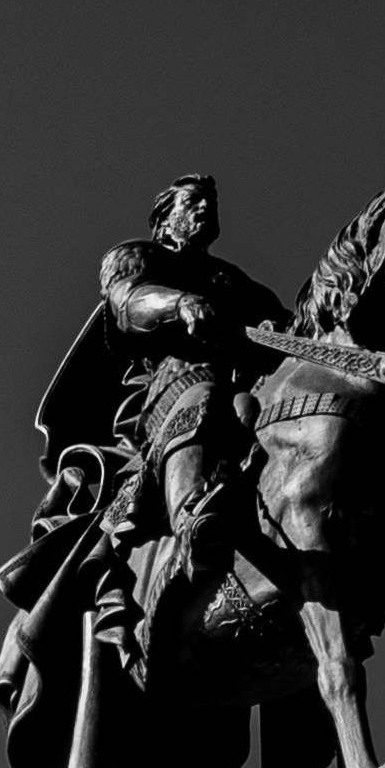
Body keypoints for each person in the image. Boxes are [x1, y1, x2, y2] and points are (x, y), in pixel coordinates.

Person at [34, 176, 295, 681]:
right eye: (194, 203)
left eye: (210, 204)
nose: (205, 211)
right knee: (207, 393)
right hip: (165, 389)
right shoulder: (137, 256)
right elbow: (128, 303)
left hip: (243, 388)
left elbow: (284, 323)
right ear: (164, 218)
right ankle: (191, 516)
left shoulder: (231, 278)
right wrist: (177, 305)